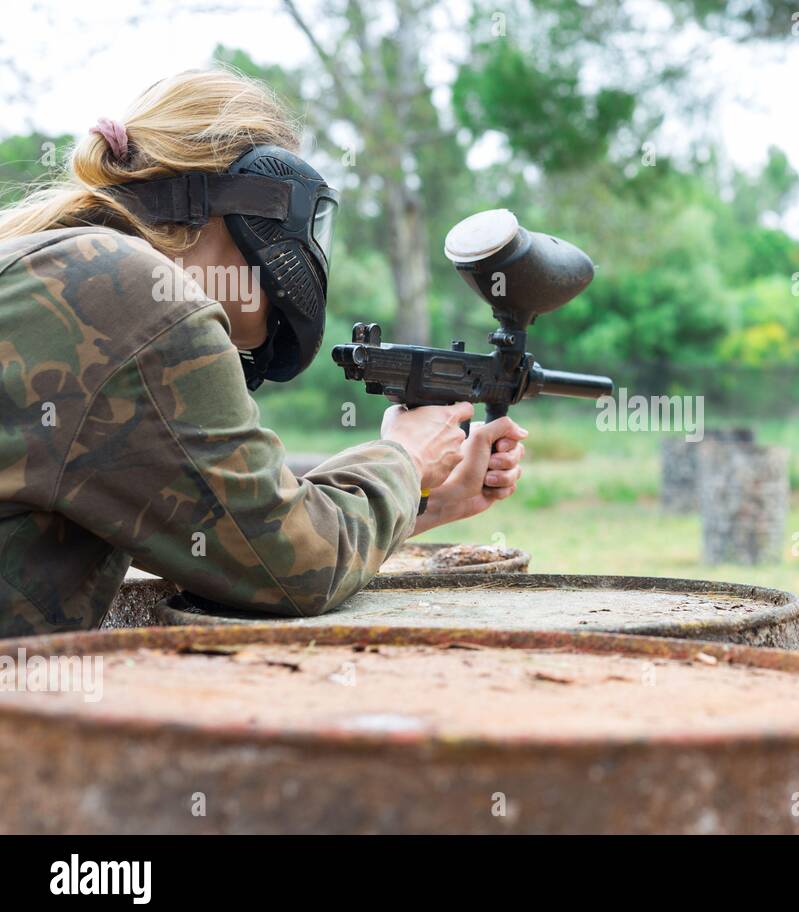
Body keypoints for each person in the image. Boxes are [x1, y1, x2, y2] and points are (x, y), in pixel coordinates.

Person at [0, 69, 527, 637]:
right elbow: (294, 568)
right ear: (251, 215)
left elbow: (226, 524)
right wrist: (403, 459)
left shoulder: (56, 268)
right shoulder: (131, 292)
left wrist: (429, 498)